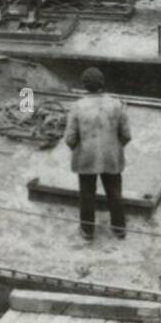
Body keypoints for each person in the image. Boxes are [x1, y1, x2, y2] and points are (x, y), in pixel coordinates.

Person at [64, 68, 131, 241]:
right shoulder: (117, 104)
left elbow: (70, 138)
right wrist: (115, 147)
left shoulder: (77, 106)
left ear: (84, 85)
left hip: (86, 157)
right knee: (115, 193)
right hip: (112, 157)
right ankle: (119, 228)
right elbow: (126, 135)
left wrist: (80, 150)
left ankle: (87, 230)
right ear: (102, 83)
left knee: (86, 194)